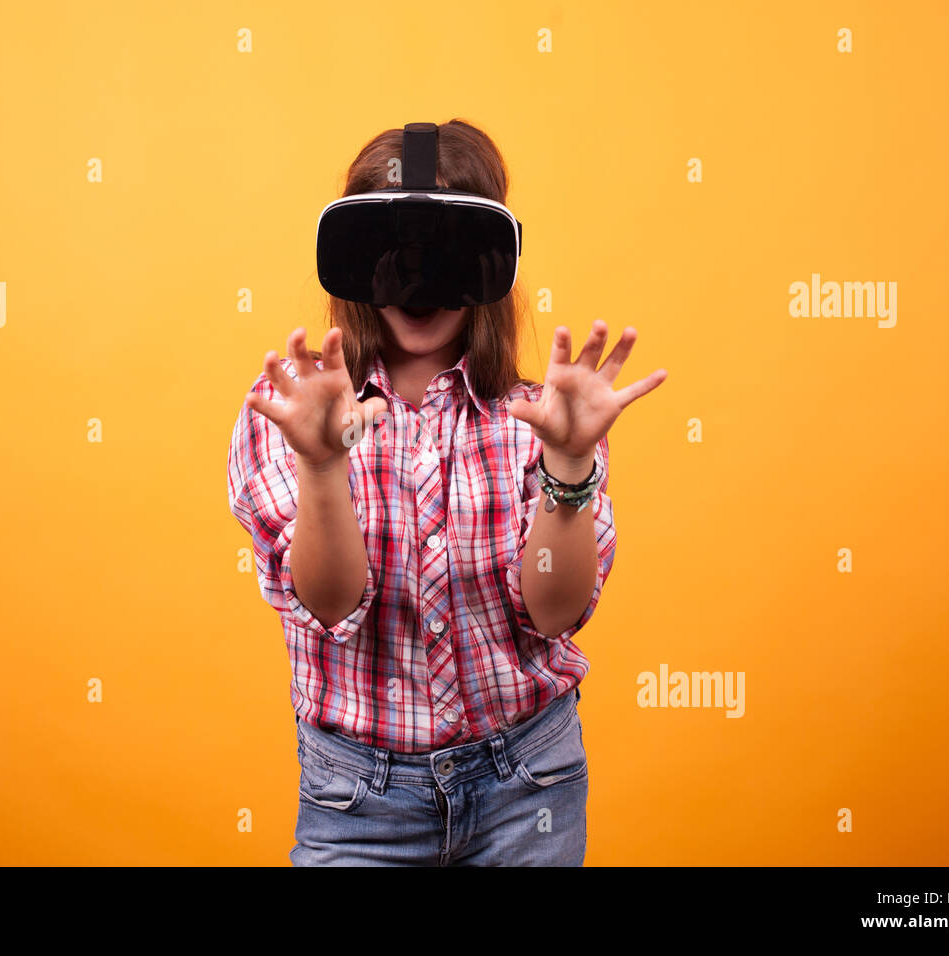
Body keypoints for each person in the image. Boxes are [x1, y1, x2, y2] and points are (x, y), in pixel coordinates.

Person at [226, 119, 667, 865]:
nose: (418, 282)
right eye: (395, 251)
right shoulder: (292, 413)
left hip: (530, 784)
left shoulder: (537, 417)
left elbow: (555, 613)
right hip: (356, 800)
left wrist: (566, 464)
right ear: (356, 261)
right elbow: (328, 604)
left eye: (447, 251)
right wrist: (323, 467)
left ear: (494, 263)